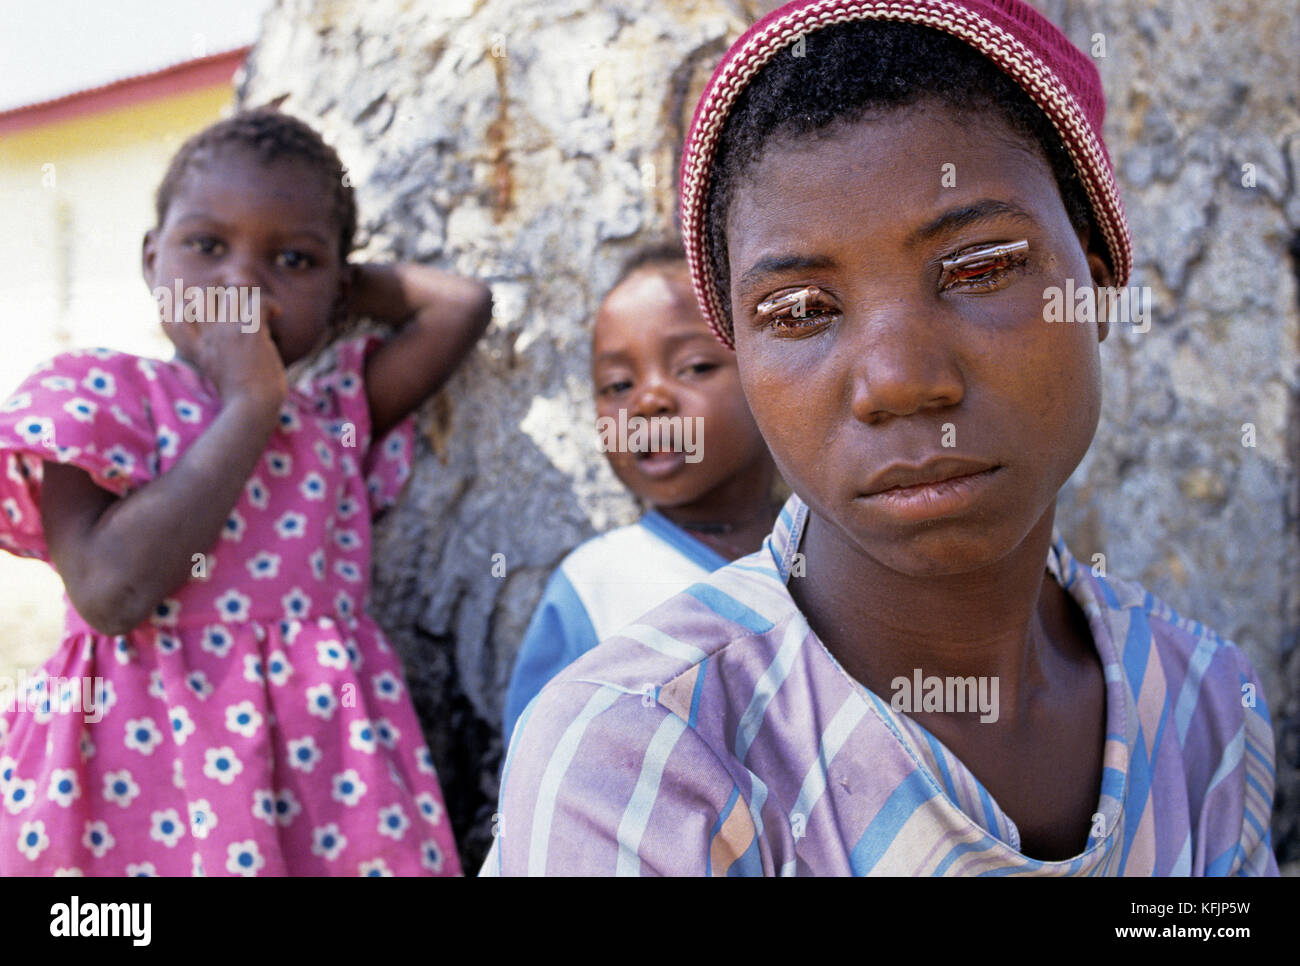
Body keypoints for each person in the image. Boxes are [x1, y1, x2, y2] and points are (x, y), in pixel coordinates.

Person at [483, 0, 1278, 875]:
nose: (898, 381)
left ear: (1091, 289)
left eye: (981, 268)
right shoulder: (639, 758)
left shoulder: (1205, 704)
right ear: (744, 356)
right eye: (799, 311)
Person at [0, 108, 491, 876]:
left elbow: (460, 306)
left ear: (340, 295)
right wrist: (250, 402)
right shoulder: (98, 396)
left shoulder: (332, 419)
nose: (241, 281)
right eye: (205, 246)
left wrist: (327, 291)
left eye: (290, 259)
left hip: (321, 779)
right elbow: (108, 592)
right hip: (132, 777)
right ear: (151, 260)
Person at [502, 245, 778, 744]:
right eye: (618, 384)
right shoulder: (596, 585)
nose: (650, 401)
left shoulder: (832, 549)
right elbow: (540, 774)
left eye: (694, 367)